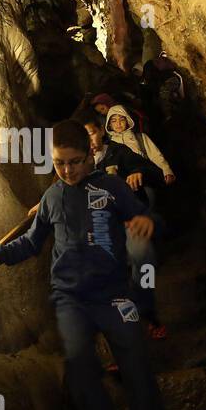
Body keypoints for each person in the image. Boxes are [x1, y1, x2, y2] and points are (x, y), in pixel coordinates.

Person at [0, 121, 194, 410]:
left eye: (74, 162)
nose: (68, 171)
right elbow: (32, 242)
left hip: (113, 296)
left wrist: (147, 223)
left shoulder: (112, 187)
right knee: (85, 376)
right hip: (71, 298)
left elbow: (152, 217)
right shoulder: (52, 198)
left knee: (139, 376)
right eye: (59, 164)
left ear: (90, 156)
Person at [81, 115, 167, 340]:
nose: (89, 140)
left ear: (100, 130)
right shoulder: (80, 162)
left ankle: (148, 309)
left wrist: (140, 173)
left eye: (90, 133)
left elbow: (155, 173)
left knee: (144, 258)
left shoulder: (118, 152)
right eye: (83, 136)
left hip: (129, 221)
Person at [105, 104, 175, 185]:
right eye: (114, 121)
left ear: (128, 120)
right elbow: (111, 167)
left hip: (146, 177)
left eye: (122, 119)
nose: (118, 123)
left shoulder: (141, 137)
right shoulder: (110, 145)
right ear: (109, 124)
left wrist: (166, 170)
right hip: (126, 183)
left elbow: (155, 155)